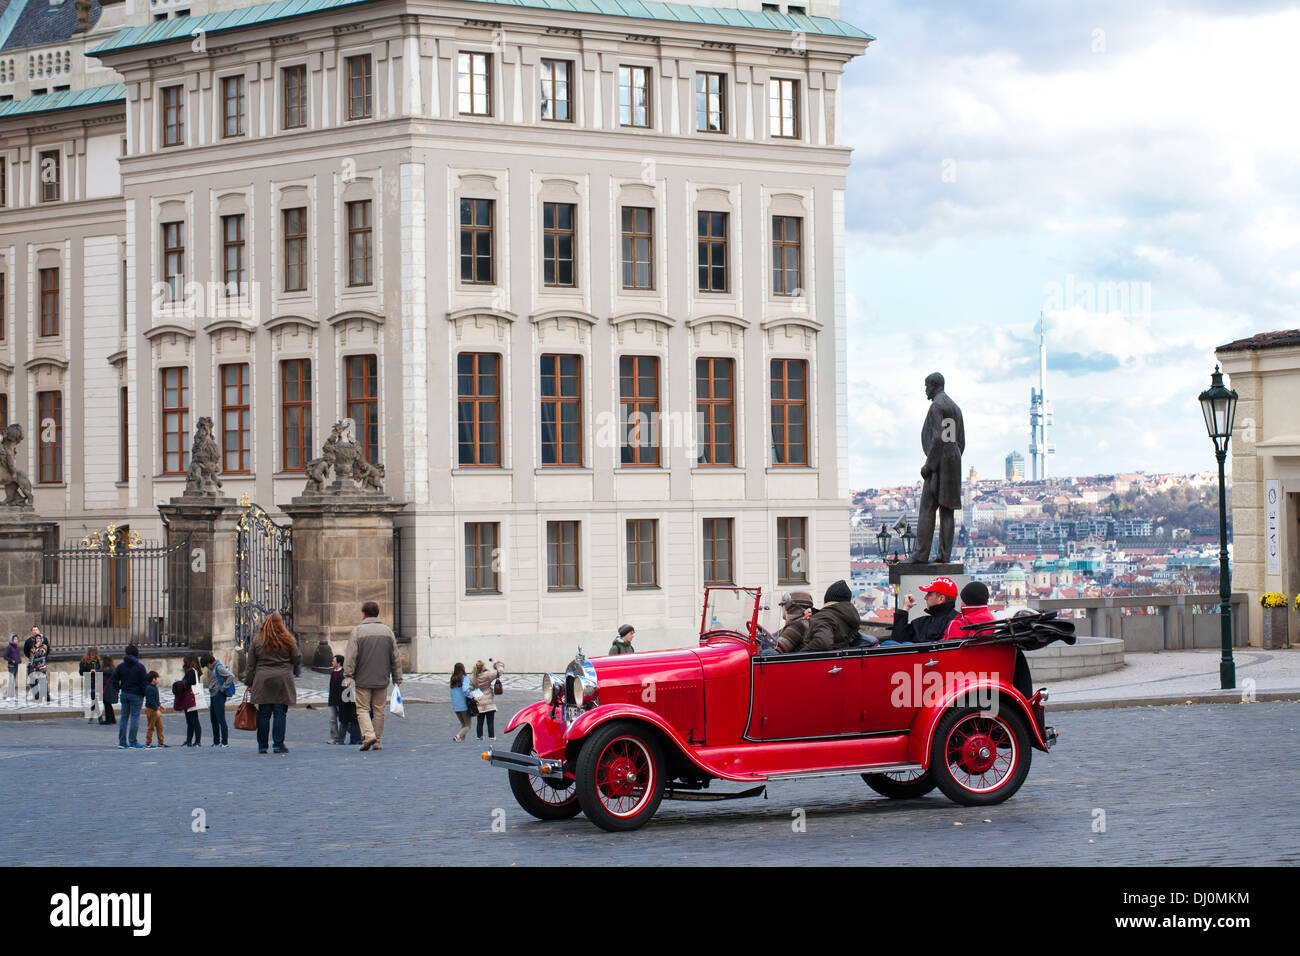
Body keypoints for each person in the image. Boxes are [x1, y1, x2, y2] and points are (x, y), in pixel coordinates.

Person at [902, 373, 965, 564]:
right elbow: (961, 440)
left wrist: (930, 465)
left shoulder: (937, 406)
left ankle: (921, 554)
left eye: (926, 386)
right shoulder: (955, 407)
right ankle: (944, 556)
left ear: (934, 385)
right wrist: (953, 458)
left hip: (939, 461)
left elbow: (938, 437)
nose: (925, 390)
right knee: (947, 510)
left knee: (927, 507)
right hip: (953, 459)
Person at [342, 601, 401, 752]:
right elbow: (395, 657)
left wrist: (348, 676)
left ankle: (369, 735)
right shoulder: (388, 632)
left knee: (362, 709)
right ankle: (378, 740)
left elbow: (350, 656)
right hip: (382, 678)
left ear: (364, 614)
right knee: (379, 710)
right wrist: (397, 678)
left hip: (363, 678)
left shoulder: (358, 631)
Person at [245, 612, 300, 754]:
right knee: (280, 713)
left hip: (263, 679)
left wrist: (249, 682)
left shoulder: (257, 640)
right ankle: (278, 744)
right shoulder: (288, 639)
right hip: (282, 679)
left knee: (263, 713)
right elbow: (297, 658)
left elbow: (251, 665)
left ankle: (262, 745)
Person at [892, 576, 960, 644]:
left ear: (941, 599)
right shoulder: (921, 622)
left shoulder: (955, 623)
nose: (925, 597)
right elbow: (897, 641)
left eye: (929, 594)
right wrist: (905, 608)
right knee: (889, 643)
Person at [797, 581, 861, 653]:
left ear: (827, 600)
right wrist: (816, 612)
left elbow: (822, 642)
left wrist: (799, 655)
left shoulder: (824, 617)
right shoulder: (848, 617)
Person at [110, 644, 150, 749]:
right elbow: (144, 683)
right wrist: (143, 693)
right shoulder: (140, 667)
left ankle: (122, 742)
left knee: (124, 718)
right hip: (137, 695)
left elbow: (114, 679)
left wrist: (118, 688)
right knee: (134, 718)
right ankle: (133, 741)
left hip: (125, 693)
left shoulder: (121, 666)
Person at [201, 652, 236, 748]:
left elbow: (231, 676)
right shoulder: (214, 668)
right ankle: (216, 741)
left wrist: (223, 688)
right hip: (213, 695)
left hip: (218, 695)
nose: (206, 668)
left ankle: (224, 742)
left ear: (208, 663)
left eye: (206, 665)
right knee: (214, 719)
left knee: (221, 719)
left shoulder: (218, 667)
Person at [469, 658, 505, 741]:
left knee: (480, 722)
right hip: (489, 702)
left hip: (479, 702)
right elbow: (500, 671)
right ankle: (491, 737)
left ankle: (479, 736)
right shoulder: (488, 675)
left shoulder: (472, 677)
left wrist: (477, 696)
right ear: (483, 666)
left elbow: (471, 689)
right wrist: (495, 663)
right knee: (490, 721)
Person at [179, 654, 203, 746]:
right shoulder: (194, 671)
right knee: (191, 720)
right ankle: (189, 740)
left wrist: (180, 683)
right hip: (190, 698)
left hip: (190, 698)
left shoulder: (191, 672)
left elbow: (188, 685)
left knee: (193, 720)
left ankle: (197, 741)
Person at [143, 671, 167, 748]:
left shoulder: (154, 687)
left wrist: (160, 705)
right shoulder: (149, 688)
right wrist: (157, 709)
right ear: (153, 679)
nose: (158, 680)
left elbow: (156, 699)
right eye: (157, 678)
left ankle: (161, 742)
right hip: (151, 709)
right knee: (151, 726)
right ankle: (148, 742)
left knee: (160, 726)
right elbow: (151, 700)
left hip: (155, 708)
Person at [449, 663, 472, 742]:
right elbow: (465, 690)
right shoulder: (464, 678)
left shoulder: (452, 679)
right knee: (468, 726)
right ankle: (457, 736)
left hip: (456, 706)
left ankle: (463, 742)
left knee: (463, 724)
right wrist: (472, 696)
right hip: (464, 706)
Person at [79, 647, 102, 719]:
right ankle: (99, 717)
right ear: (88, 655)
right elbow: (81, 673)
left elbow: (101, 670)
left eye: (95, 655)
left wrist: (96, 671)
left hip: (97, 681)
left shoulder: (97, 661)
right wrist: (89, 672)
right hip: (89, 682)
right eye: (92, 655)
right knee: (94, 698)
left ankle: (93, 715)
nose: (93, 657)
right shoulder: (84, 662)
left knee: (94, 698)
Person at [28, 631, 49, 703]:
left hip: (42, 667)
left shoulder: (44, 646)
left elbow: (41, 653)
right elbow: (31, 657)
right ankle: (37, 695)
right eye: (37, 638)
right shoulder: (33, 647)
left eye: (39, 638)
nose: (38, 640)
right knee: (32, 682)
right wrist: (30, 664)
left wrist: (36, 649)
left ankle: (47, 696)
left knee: (43, 682)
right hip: (34, 668)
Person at [99, 654, 117, 725]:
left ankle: (108, 720)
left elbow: (99, 672)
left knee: (106, 704)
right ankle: (112, 719)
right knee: (108, 704)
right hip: (111, 689)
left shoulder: (104, 670)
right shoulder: (113, 669)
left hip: (106, 689)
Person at [6, 634, 22, 699]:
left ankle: (11, 695)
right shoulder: (9, 647)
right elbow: (5, 656)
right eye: (15, 639)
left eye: (17, 639)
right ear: (11, 640)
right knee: (11, 680)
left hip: (16, 665)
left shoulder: (16, 647)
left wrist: (19, 660)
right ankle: (8, 696)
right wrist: (11, 660)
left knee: (13, 680)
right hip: (11, 666)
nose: (16, 640)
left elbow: (17, 655)